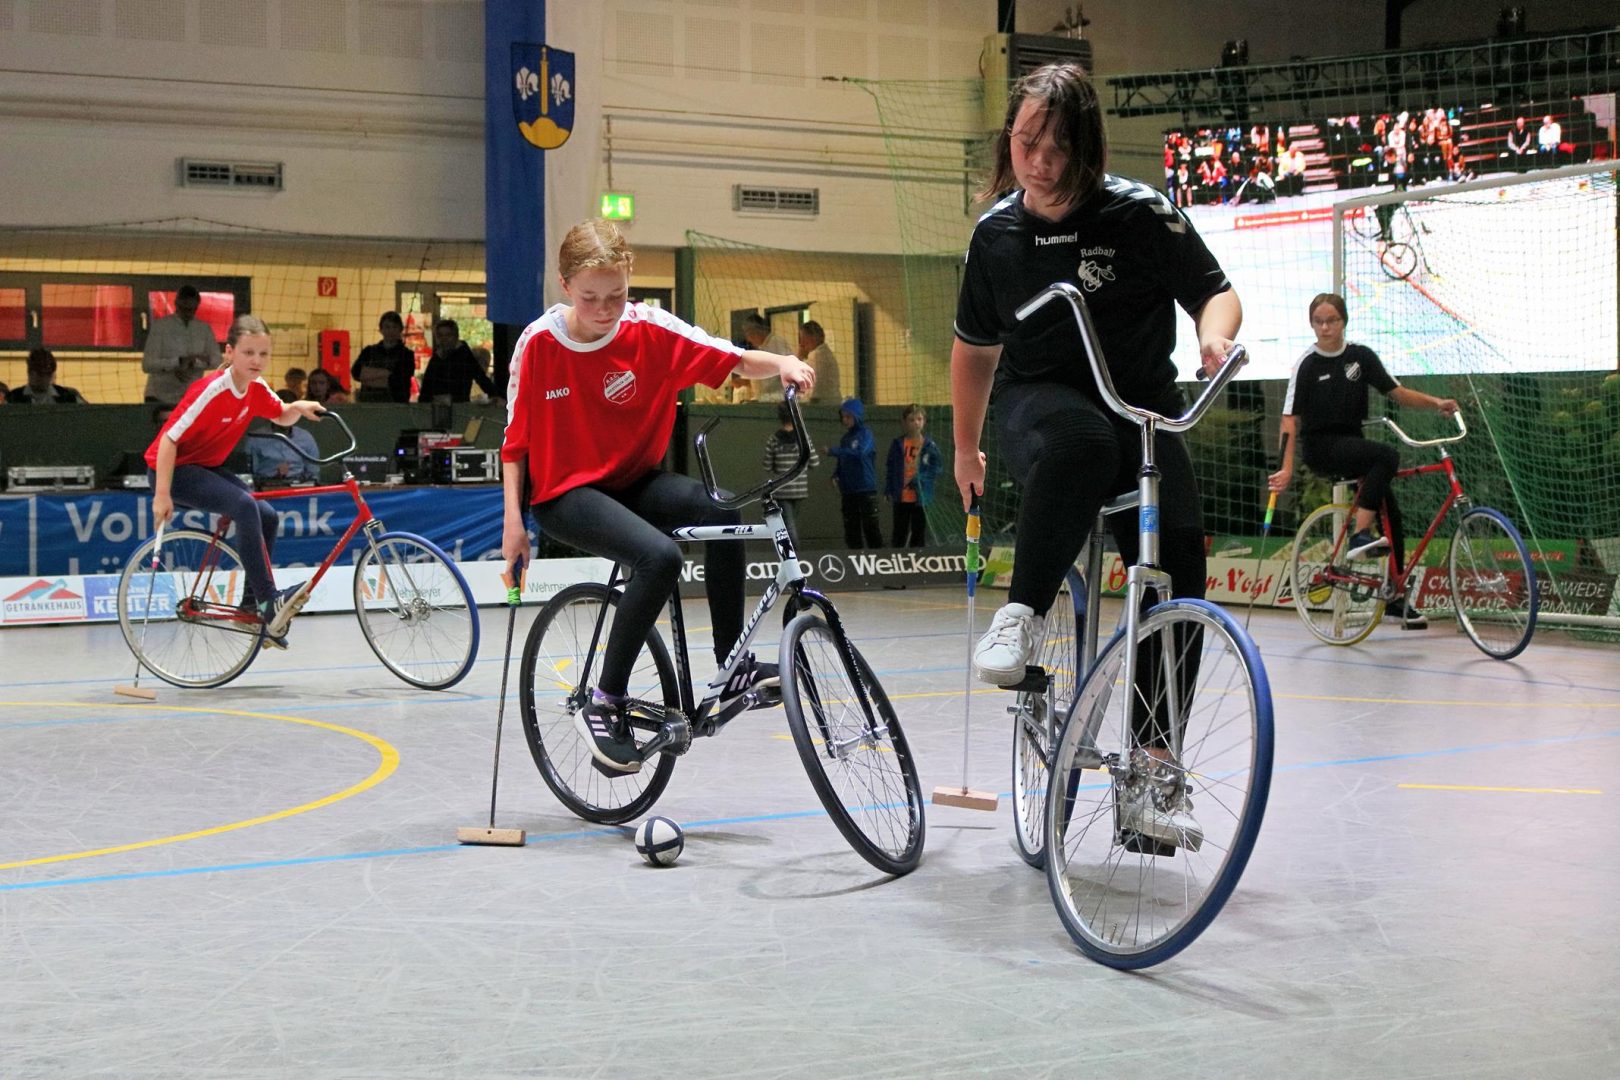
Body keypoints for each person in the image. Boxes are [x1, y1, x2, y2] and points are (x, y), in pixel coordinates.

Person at [952, 63, 1242, 848]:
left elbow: (1214, 291)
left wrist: (1215, 333)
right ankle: (1021, 617)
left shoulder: (1143, 214)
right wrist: (965, 447)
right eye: (1025, 142)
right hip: (1038, 404)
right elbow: (975, 351)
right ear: (1007, 138)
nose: (1040, 162)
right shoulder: (997, 235)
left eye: (1056, 147)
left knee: (1179, 573)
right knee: (1078, 442)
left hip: (1141, 410)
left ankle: (1152, 771)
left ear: (1087, 147)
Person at [500, 219, 815, 774]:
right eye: (590, 297)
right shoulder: (538, 344)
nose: (604, 308)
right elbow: (514, 443)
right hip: (565, 493)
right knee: (660, 557)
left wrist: (783, 364)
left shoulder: (650, 328)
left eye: (616, 295)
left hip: (634, 481)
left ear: (629, 280)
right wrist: (513, 526)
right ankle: (606, 700)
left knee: (719, 508)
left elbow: (732, 357)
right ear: (565, 285)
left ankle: (731, 662)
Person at [1268, 293, 1459, 629]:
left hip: (1352, 444)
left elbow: (1397, 392)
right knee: (1386, 455)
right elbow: (1289, 421)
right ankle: (1360, 533)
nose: (1325, 328)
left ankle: (1396, 598)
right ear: (1312, 324)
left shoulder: (1361, 357)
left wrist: (1436, 402)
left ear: (1344, 321)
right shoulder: (1307, 365)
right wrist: (1285, 467)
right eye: (1318, 322)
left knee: (1393, 514)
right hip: (1322, 449)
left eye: (1332, 321)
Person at [145, 315, 325, 647]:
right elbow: (169, 439)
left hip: (205, 467)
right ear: (229, 352)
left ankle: (249, 606)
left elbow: (280, 413)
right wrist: (162, 495)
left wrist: (297, 406)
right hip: (173, 471)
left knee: (267, 514)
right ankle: (270, 602)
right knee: (244, 505)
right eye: (248, 353)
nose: (257, 361)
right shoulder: (211, 389)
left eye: (263, 354)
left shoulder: (256, 388)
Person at [142, 284, 222, 404]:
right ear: (176, 304)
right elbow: (147, 365)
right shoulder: (161, 327)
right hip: (159, 397)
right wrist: (177, 363)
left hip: (190, 397)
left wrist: (193, 362)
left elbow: (217, 360)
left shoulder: (204, 329)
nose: (188, 313)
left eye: (192, 309)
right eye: (184, 308)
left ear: (197, 306)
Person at [761, 401, 820, 552]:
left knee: (788, 524)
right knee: (792, 522)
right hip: (800, 489)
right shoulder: (803, 438)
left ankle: (794, 557)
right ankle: (795, 555)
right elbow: (814, 462)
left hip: (781, 489)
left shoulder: (774, 439)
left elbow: (767, 465)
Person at [826, 397, 882, 549]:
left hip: (865, 489)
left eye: (848, 416)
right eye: (843, 416)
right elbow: (843, 460)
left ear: (857, 416)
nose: (845, 420)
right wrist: (836, 474)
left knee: (870, 527)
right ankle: (855, 559)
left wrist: (834, 451)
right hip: (849, 490)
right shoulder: (845, 439)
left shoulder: (866, 434)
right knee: (851, 529)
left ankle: (878, 559)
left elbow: (861, 453)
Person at [884, 404, 941, 548]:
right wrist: (888, 489)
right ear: (904, 422)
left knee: (919, 532)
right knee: (899, 532)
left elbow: (937, 468)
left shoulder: (930, 445)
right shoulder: (897, 444)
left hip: (921, 496)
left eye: (919, 419)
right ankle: (896, 561)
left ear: (924, 421)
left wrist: (919, 479)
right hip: (901, 495)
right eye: (911, 420)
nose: (916, 423)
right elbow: (890, 468)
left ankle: (917, 563)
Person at [420, 319, 499, 403]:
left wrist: (494, 395)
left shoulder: (464, 356)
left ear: (456, 336)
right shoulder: (437, 357)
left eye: (448, 335)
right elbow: (427, 384)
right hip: (438, 406)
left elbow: (480, 377)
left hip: (458, 405)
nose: (444, 339)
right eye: (440, 335)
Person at [350, 311, 415, 403]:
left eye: (394, 327)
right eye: (387, 327)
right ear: (381, 329)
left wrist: (368, 378)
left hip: (396, 405)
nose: (391, 331)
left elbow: (399, 381)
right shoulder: (368, 351)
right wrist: (387, 373)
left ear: (400, 330)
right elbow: (356, 373)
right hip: (369, 405)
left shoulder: (407, 355)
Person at [247, 420, 320, 488]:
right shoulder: (256, 437)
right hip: (266, 488)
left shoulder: (305, 437)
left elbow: (313, 472)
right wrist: (273, 479)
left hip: (298, 487)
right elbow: (249, 473)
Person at [741, 312, 794, 401]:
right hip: (767, 398)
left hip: (779, 397)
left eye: (748, 333)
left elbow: (784, 372)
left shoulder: (776, 343)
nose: (748, 339)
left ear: (757, 330)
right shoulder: (763, 347)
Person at [7, 348, 86, 404]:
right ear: (30, 372)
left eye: (48, 374)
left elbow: (89, 415)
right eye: (40, 374)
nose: (44, 379)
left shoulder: (68, 397)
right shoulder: (13, 398)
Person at [796, 320, 841, 404]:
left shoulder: (817, 355)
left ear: (813, 338)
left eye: (803, 339)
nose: (801, 344)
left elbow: (814, 391)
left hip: (821, 406)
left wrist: (799, 358)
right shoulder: (824, 353)